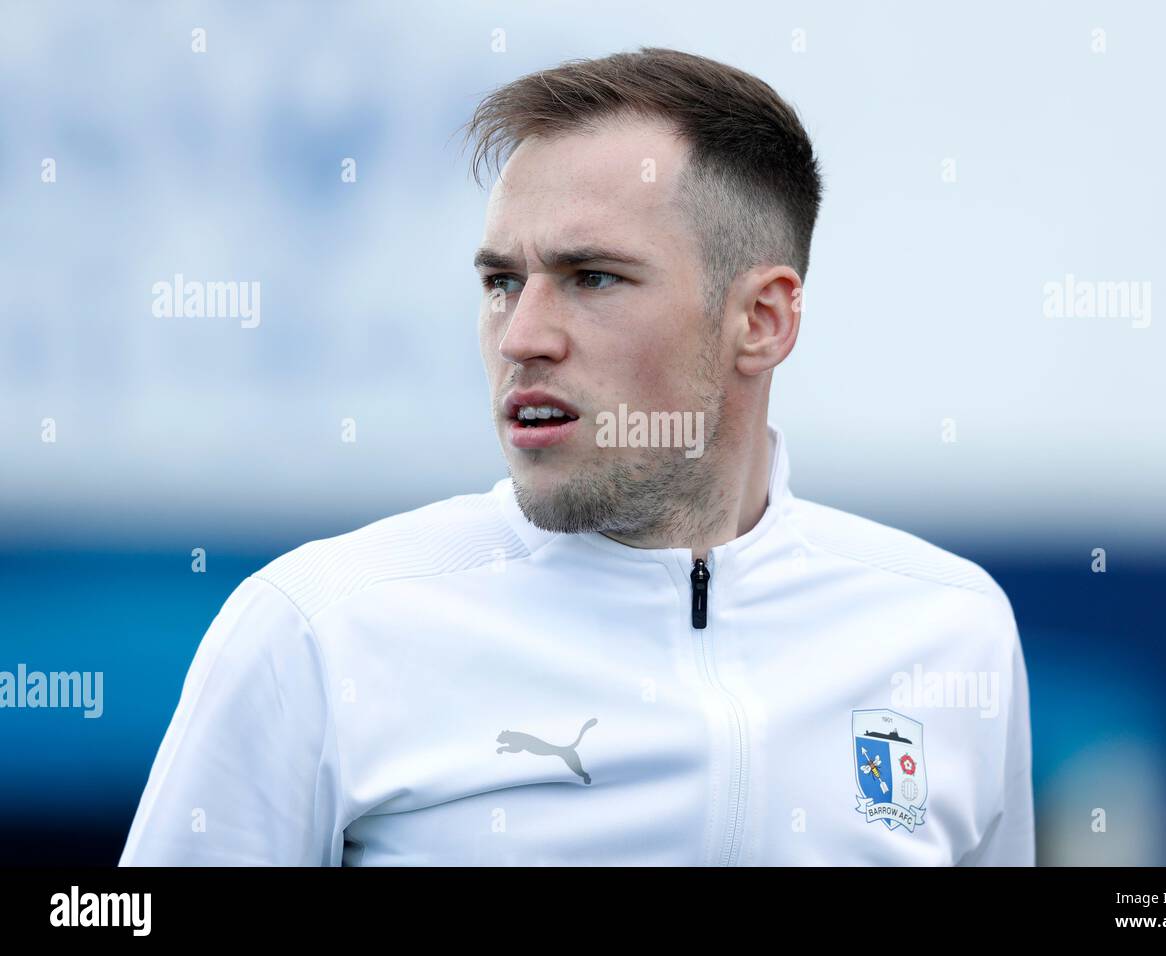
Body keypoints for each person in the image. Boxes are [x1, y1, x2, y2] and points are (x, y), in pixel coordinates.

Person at [119, 47, 1033, 866]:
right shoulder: (319, 629)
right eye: (501, 282)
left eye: (592, 277)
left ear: (762, 320)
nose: (523, 335)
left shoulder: (951, 631)